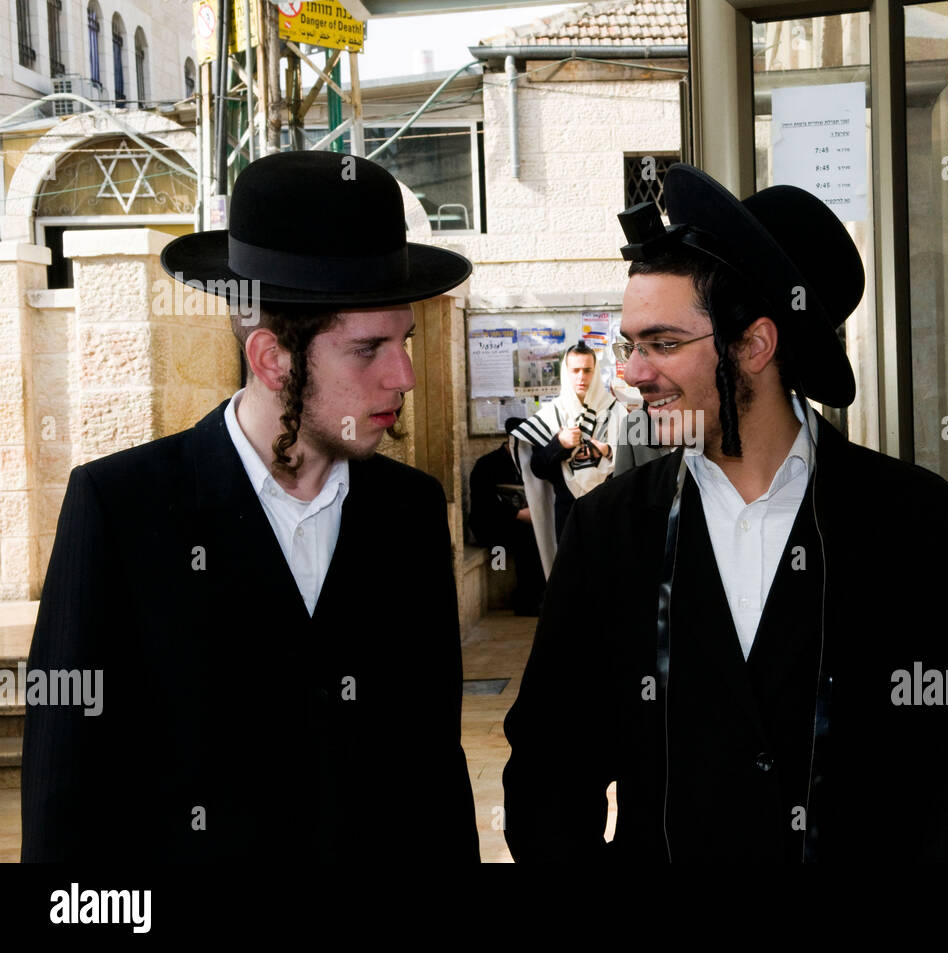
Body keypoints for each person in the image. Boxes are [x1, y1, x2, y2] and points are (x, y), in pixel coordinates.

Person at [503, 164, 948, 862]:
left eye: (662, 343)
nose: (632, 373)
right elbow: (547, 776)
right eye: (629, 345)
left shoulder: (913, 520)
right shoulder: (609, 531)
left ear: (754, 345)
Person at [22, 150, 479, 862]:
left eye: (405, 340)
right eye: (368, 350)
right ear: (272, 359)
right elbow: (66, 802)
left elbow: (434, 780)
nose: (406, 375)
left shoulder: (411, 513)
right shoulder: (121, 509)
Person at [509, 341, 616, 575]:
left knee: (607, 574)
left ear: (595, 372)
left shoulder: (613, 410)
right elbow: (537, 468)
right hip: (568, 508)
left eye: (587, 370)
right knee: (570, 575)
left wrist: (608, 450)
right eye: (575, 370)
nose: (581, 377)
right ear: (565, 373)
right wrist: (560, 444)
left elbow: (632, 461)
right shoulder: (551, 415)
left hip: (608, 507)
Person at [469, 417, 545, 615]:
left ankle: (542, 596)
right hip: (493, 526)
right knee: (526, 540)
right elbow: (484, 504)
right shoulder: (487, 464)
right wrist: (519, 514)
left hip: (525, 523)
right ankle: (527, 601)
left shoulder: (531, 462)